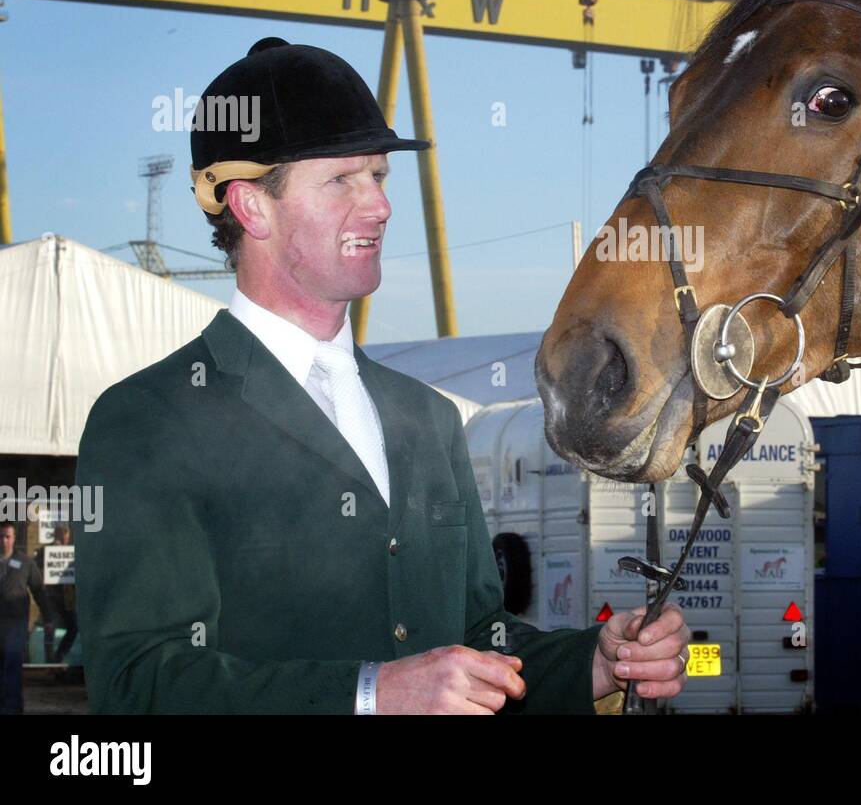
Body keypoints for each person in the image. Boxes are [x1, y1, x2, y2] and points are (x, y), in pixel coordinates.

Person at [75, 37, 690, 714]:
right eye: (342, 179)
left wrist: (594, 659)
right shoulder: (150, 419)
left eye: (379, 176)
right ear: (251, 206)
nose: (379, 206)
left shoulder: (426, 418)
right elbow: (138, 684)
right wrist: (370, 694)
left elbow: (479, 641)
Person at [1, 520, 45, 714]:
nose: (4, 541)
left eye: (7, 536)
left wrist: (49, 616)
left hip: (16, 622)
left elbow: (39, 590)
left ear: (14, 538)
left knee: (12, 664)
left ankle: (12, 708)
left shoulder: (25, 563)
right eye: (1, 536)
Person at [38, 525, 77, 665]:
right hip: (51, 596)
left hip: (66, 598)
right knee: (50, 628)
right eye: (62, 538)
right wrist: (53, 549)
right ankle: (49, 663)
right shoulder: (45, 551)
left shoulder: (71, 552)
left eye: (66, 538)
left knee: (74, 626)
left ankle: (58, 656)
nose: (64, 541)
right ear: (56, 536)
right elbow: (38, 571)